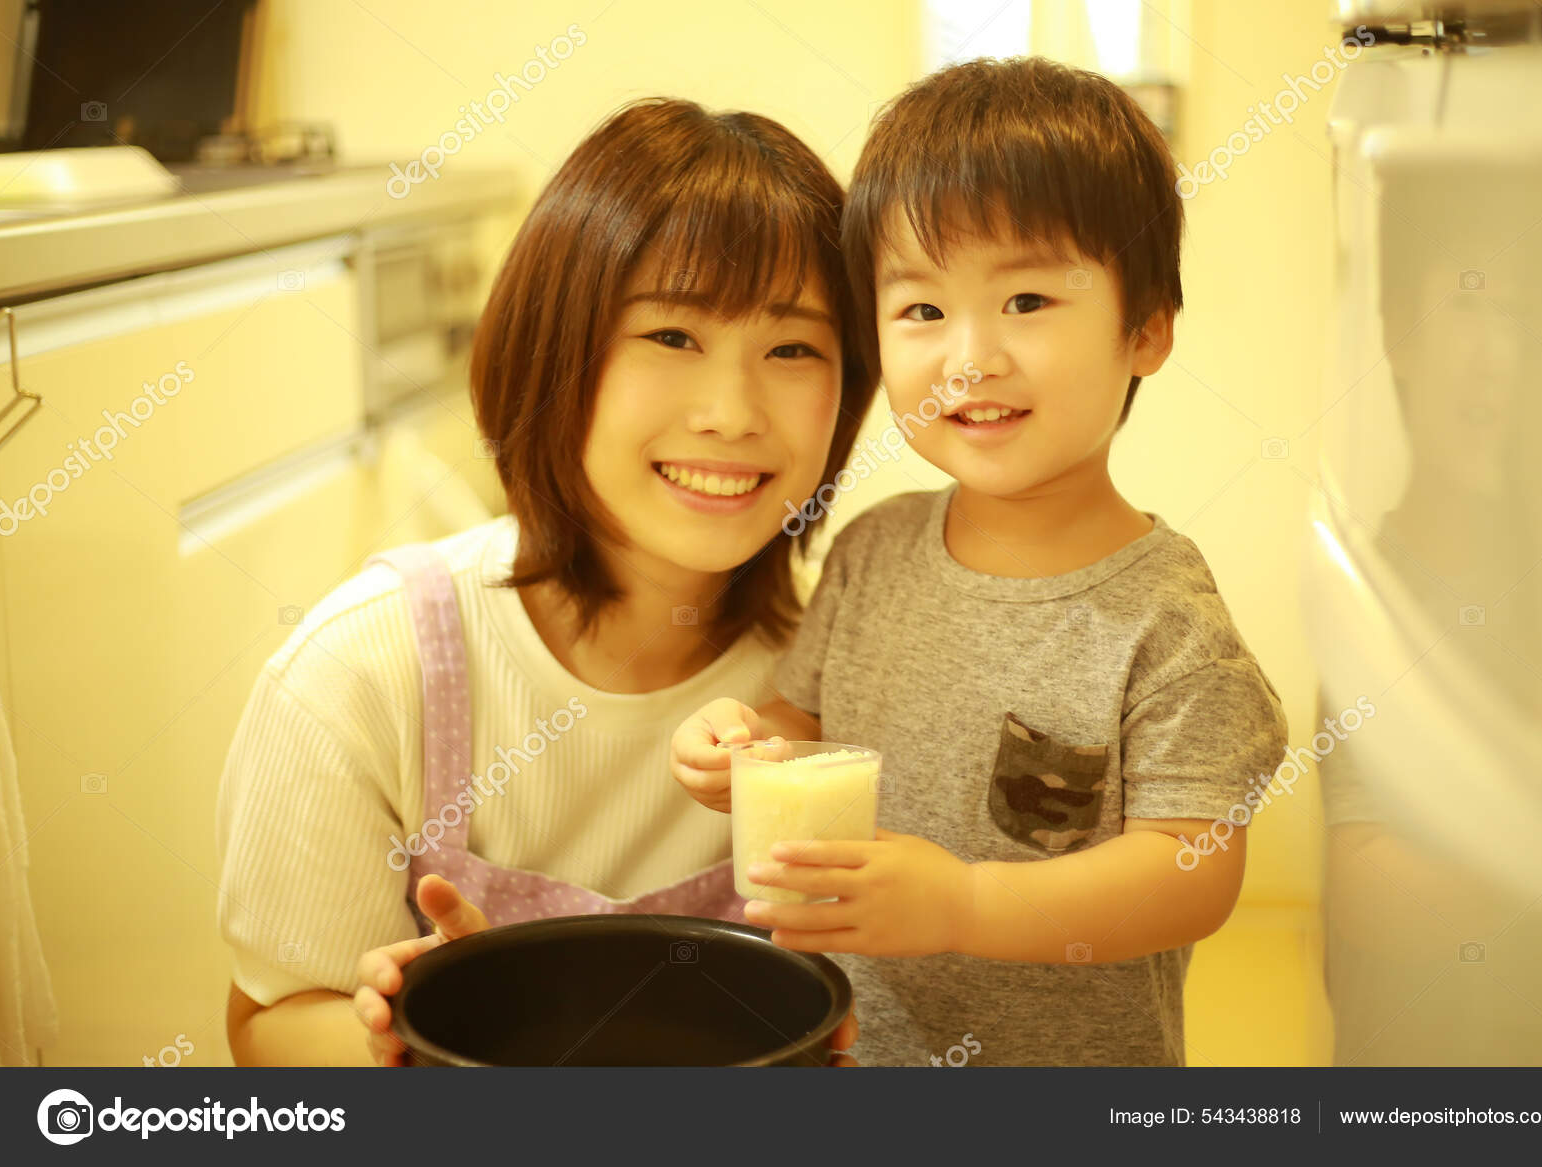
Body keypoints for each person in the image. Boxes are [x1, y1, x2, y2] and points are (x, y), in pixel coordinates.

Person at [219, 97, 872, 1066]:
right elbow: (267, 1025)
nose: (732, 413)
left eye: (791, 349)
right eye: (672, 336)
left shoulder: (848, 673)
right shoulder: (361, 669)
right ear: (553, 349)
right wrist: (421, 1032)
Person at [670, 58, 1290, 1066]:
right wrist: (744, 748)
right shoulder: (872, 552)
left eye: (1027, 300)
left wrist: (964, 902)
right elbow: (808, 725)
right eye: (922, 311)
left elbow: (1193, 869)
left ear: (1145, 330)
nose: (969, 359)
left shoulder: (1166, 622)